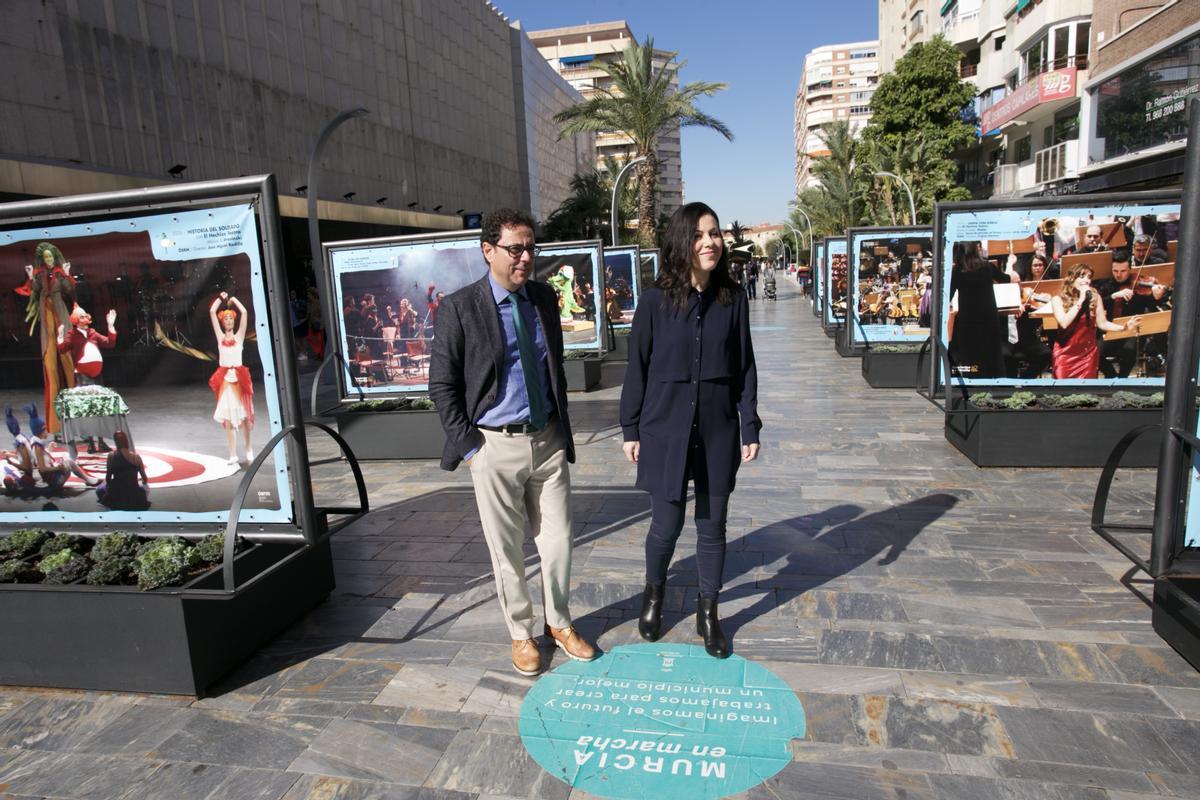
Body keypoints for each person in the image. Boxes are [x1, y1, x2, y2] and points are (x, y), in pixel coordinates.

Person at [429, 207, 594, 677]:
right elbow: (441, 385)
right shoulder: (460, 307)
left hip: (547, 440)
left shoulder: (542, 298)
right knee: (507, 550)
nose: (525, 257)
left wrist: (559, 425)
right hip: (494, 446)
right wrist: (471, 448)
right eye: (515, 249)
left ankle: (559, 623)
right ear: (488, 250)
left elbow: (552, 367)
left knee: (558, 541)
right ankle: (522, 634)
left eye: (530, 248)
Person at [619, 202, 761, 659]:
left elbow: (745, 366)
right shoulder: (655, 300)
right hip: (664, 428)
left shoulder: (733, 298)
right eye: (700, 235)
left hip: (718, 429)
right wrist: (630, 427)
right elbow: (637, 368)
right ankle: (654, 594)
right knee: (667, 524)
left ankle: (708, 613)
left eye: (714, 233)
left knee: (713, 525)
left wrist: (749, 424)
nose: (710, 242)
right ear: (683, 241)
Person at [15, 242, 77, 435]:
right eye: (46, 257)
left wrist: (66, 273)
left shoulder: (59, 272)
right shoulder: (40, 274)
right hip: (47, 315)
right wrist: (30, 276)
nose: (48, 260)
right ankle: (55, 424)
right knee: (50, 364)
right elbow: (34, 290)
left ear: (54, 257)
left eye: (50, 257)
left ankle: (77, 419)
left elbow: (68, 289)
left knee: (67, 359)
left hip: (60, 314)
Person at [1050, 264, 1141, 379]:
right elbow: (1064, 323)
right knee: (1064, 388)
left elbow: (1102, 323)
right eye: (1082, 276)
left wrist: (1124, 327)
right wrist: (1081, 300)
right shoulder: (1057, 299)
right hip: (1065, 353)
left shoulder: (1095, 297)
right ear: (1071, 279)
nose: (1086, 280)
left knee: (1088, 389)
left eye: (1089, 277)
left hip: (1087, 354)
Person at [949, 243, 1020, 378]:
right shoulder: (987, 266)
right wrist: (1010, 264)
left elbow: (948, 296)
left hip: (968, 320)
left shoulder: (957, 271)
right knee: (991, 352)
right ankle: (995, 380)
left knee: (971, 354)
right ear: (976, 250)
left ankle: (973, 380)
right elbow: (1006, 278)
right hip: (989, 318)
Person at [208, 293, 255, 465]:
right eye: (226, 319)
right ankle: (233, 454)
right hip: (226, 381)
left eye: (230, 318)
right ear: (223, 322)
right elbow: (212, 312)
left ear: (234, 321)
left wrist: (233, 300)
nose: (228, 321)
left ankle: (248, 449)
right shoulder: (220, 338)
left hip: (239, 379)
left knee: (244, 417)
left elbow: (244, 312)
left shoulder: (239, 336)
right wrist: (221, 298)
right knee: (228, 419)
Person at [96, 429, 150, 510]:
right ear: (126, 441)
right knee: (145, 487)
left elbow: (108, 478)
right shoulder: (136, 457)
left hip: (117, 492)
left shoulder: (111, 456)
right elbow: (145, 479)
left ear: (116, 442)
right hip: (133, 492)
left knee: (99, 489)